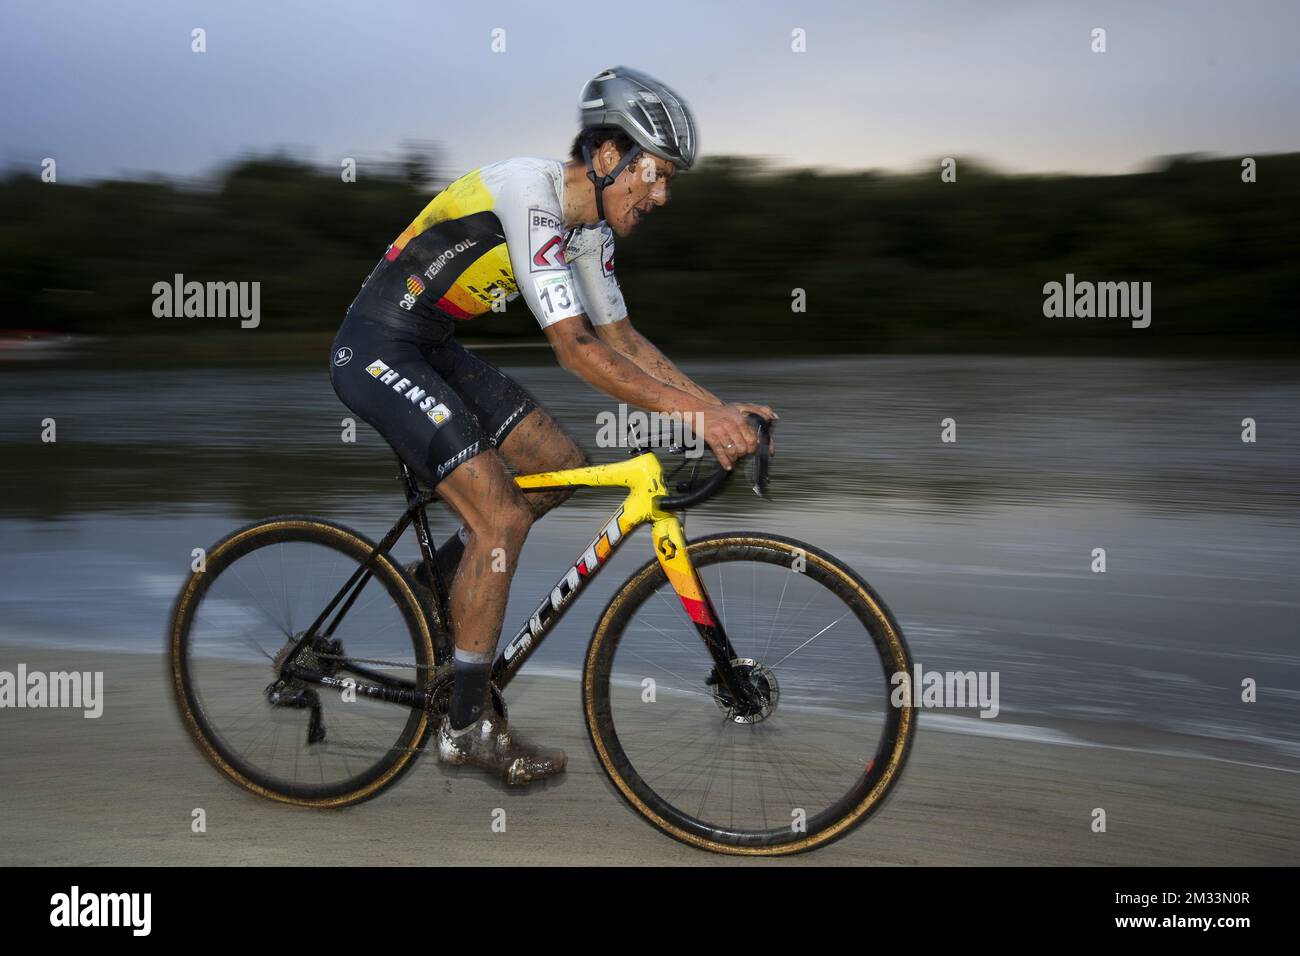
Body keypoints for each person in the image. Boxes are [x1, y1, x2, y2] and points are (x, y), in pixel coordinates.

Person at [329, 66, 775, 785]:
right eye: (653, 175)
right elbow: (576, 350)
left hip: (434, 346)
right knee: (500, 517)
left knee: (555, 466)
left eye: (667, 181)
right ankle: (465, 731)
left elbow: (624, 342)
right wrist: (702, 416)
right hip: (377, 346)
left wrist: (716, 408)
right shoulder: (528, 194)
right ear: (606, 158)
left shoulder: (588, 234)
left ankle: (434, 580)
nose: (661, 195)